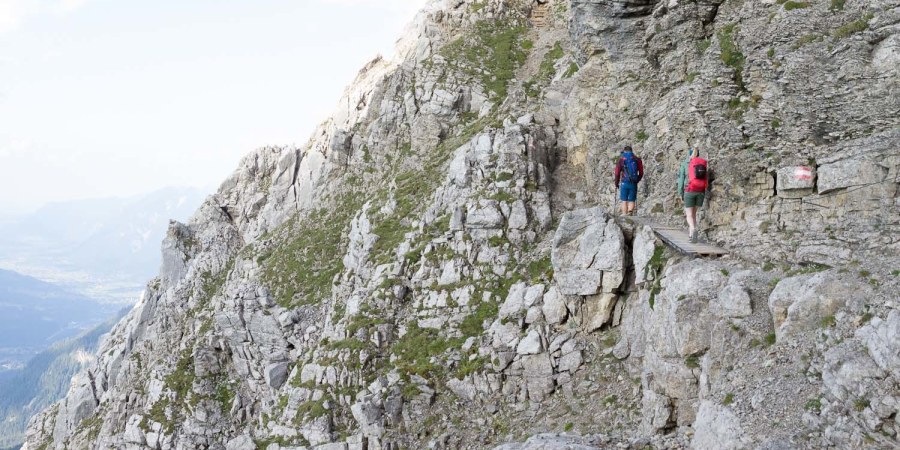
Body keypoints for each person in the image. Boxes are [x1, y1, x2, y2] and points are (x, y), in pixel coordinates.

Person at [676, 148, 709, 243]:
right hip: (701, 191)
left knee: (689, 214)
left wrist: (680, 193)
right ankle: (691, 235)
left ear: (688, 154)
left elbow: (681, 180)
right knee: (694, 213)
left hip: (689, 190)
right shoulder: (702, 163)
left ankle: (693, 229)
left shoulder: (685, 164)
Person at [614, 145, 644, 216]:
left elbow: (617, 173)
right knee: (632, 199)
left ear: (624, 151)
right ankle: (630, 213)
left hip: (624, 182)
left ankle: (624, 215)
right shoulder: (637, 159)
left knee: (624, 200)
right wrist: (637, 180)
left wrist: (616, 183)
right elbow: (641, 172)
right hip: (633, 182)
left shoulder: (621, 159)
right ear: (631, 151)